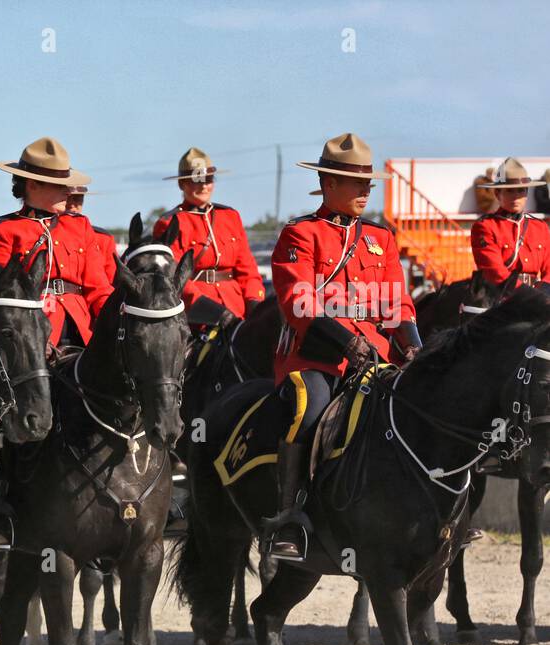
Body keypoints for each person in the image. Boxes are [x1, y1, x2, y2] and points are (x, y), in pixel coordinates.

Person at [265, 133, 419, 561]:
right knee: (308, 409)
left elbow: (397, 303)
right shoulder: (301, 234)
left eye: (369, 183)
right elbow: (299, 301)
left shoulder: (380, 238)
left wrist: (413, 347)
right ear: (329, 183)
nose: (366, 190)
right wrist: (346, 340)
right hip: (318, 355)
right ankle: (290, 518)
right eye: (357, 183)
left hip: (375, 353)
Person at [0, 136, 112, 347]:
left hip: (82, 328)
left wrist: (115, 320)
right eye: (59, 185)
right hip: (30, 334)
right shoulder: (3, 229)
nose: (68, 191)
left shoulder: (80, 226)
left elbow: (99, 288)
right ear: (33, 185)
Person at [153, 148, 265, 329]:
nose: (204, 186)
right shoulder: (170, 223)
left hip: (236, 307)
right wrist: (207, 308)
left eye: (208, 179)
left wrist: (254, 301)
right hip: (195, 315)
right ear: (182, 185)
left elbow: (247, 269)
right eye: (197, 180)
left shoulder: (230, 216)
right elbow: (174, 277)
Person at [470, 157, 549, 289]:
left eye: (521, 190)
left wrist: (545, 291)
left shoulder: (540, 228)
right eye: (509, 190)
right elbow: (494, 273)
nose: (516, 196)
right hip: (500, 297)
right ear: (497, 193)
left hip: (536, 296)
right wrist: (528, 295)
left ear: (526, 193)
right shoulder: (485, 227)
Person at [66, 184, 117, 285]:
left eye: (77, 199)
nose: (71, 205)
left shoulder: (103, 239)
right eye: (67, 198)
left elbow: (113, 281)